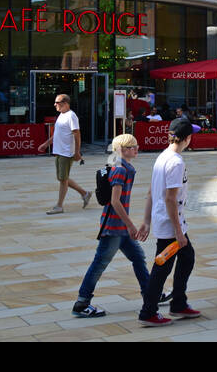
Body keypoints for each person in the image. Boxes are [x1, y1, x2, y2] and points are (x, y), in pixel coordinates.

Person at [71, 134, 151, 319]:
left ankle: (150, 293)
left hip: (118, 227)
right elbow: (115, 201)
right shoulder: (120, 170)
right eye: (132, 147)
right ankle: (82, 303)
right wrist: (131, 225)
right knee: (100, 263)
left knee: (138, 257)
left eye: (136, 146)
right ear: (121, 150)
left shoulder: (121, 167)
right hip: (114, 227)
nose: (136, 149)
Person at [138, 118, 203, 326]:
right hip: (170, 223)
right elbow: (169, 198)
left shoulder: (163, 156)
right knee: (162, 268)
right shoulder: (175, 161)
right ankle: (148, 311)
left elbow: (151, 192)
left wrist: (147, 221)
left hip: (165, 220)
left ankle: (178, 303)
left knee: (187, 258)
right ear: (187, 138)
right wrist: (178, 232)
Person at [37, 94, 91, 214]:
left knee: (62, 179)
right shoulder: (61, 115)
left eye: (57, 102)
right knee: (62, 178)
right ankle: (85, 193)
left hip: (67, 152)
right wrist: (46, 144)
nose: (55, 104)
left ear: (65, 103)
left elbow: (77, 134)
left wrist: (77, 152)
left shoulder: (71, 116)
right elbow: (56, 134)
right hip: (59, 151)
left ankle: (59, 206)